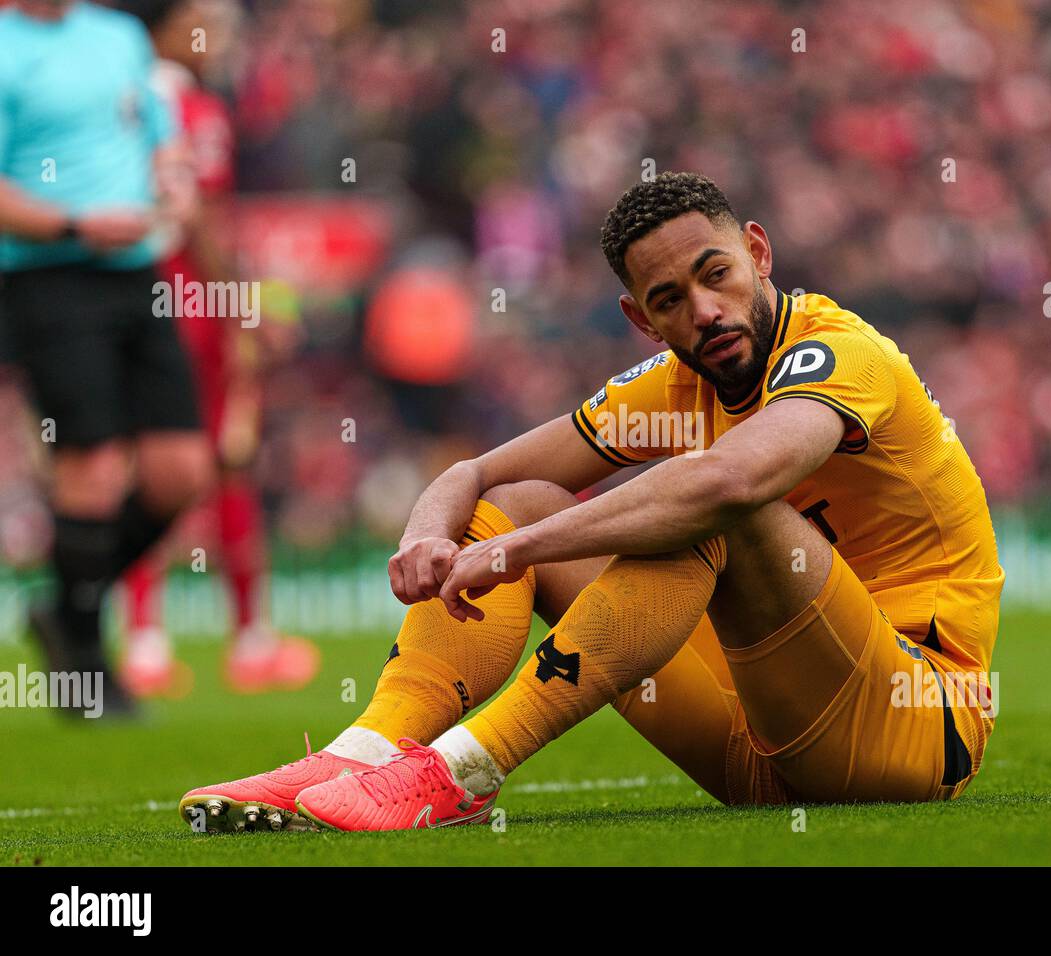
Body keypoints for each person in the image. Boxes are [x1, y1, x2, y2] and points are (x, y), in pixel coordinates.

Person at [179, 172, 1004, 831]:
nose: (704, 310)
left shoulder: (841, 352)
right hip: (758, 753)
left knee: (710, 504)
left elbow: (728, 483)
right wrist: (432, 534)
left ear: (758, 252)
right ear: (640, 319)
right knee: (521, 497)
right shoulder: (677, 383)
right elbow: (469, 474)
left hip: (914, 727)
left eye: (715, 274)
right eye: (669, 299)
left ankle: (463, 771)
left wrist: (511, 555)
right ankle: (363, 752)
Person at [0, 0, 214, 716]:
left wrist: (177, 184)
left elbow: (163, 139)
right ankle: (85, 669)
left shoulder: (117, 34)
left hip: (137, 275)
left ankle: (64, 610)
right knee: (89, 465)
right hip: (48, 279)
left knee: (181, 470)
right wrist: (74, 223)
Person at [116, 0, 318, 697]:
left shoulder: (120, 99)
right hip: (193, 309)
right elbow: (199, 216)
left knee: (146, 462)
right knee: (229, 459)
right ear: (167, 28)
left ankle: (144, 642)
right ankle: (250, 640)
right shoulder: (192, 109)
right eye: (209, 26)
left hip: (131, 304)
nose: (220, 41)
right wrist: (242, 308)